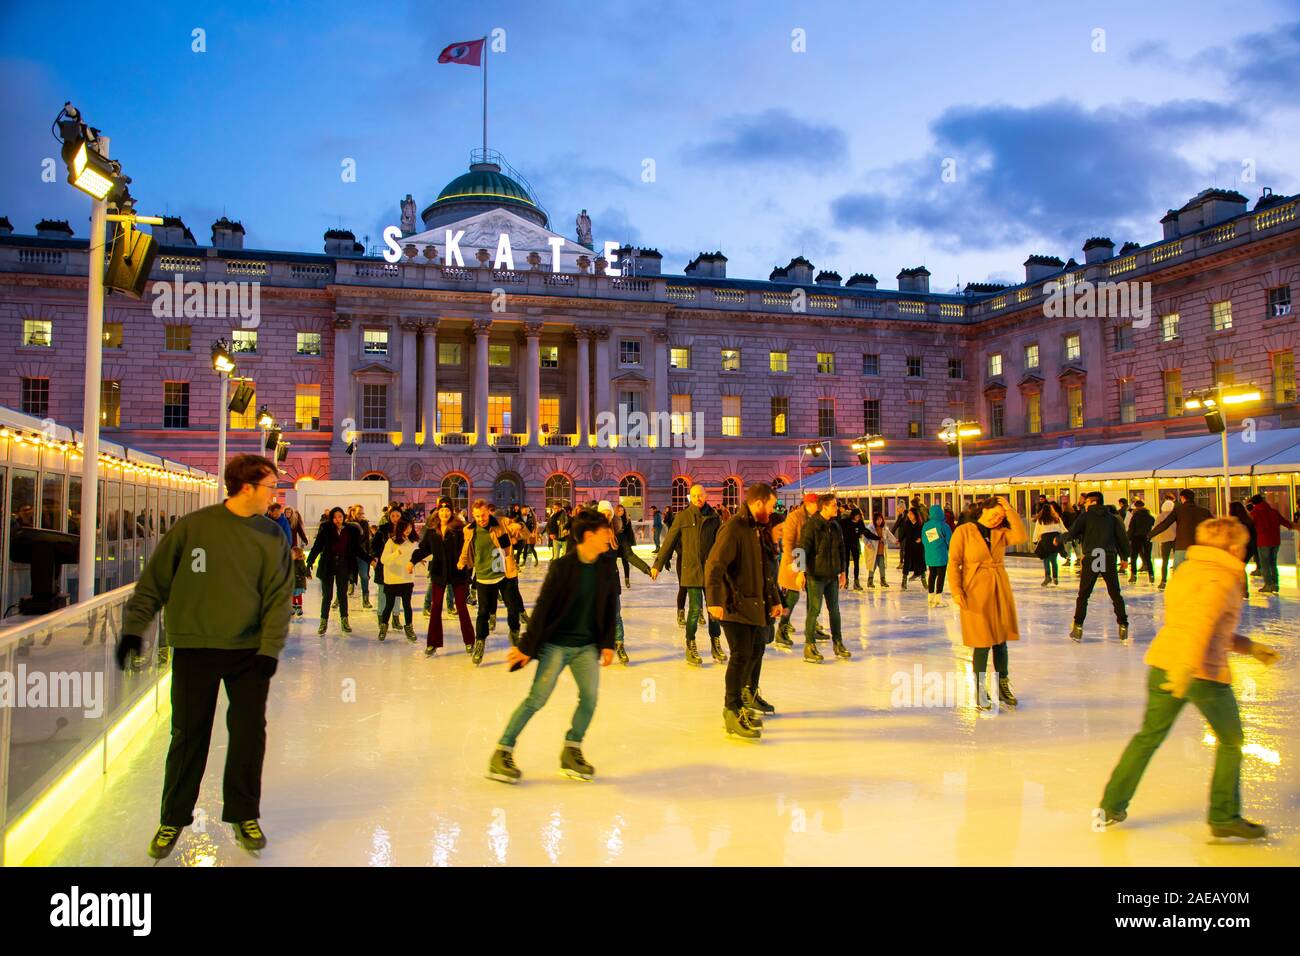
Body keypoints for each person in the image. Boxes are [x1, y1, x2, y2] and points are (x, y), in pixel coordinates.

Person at [116, 454, 291, 859]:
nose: (274, 493)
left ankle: (244, 812)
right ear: (246, 487)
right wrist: (132, 630)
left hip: (248, 653)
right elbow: (154, 583)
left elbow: (279, 597)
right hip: (195, 647)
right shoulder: (194, 527)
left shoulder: (270, 534)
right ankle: (173, 818)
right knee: (188, 735)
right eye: (270, 486)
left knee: (249, 735)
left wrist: (269, 649)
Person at [1097, 518, 1280, 838]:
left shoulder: (1187, 570)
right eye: (1242, 543)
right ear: (1232, 546)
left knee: (1148, 737)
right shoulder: (1221, 578)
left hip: (1164, 662)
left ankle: (1111, 804)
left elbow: (1199, 624)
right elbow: (1201, 626)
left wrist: (1250, 647)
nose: (1244, 549)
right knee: (1231, 741)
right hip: (1200, 671)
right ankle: (1224, 815)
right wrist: (1186, 670)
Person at [487, 510, 617, 784]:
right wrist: (525, 647)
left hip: (586, 647)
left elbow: (609, 607)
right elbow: (543, 609)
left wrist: (607, 643)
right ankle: (502, 751)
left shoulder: (606, 565)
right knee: (537, 699)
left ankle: (572, 749)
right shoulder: (562, 568)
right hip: (556, 645)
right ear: (589, 536)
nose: (609, 536)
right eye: (605, 531)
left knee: (590, 699)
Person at [706, 483, 784, 739]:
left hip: (754, 603)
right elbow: (715, 565)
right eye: (771, 505)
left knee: (751, 654)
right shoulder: (735, 528)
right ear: (759, 503)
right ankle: (731, 710)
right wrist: (714, 599)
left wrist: (774, 599)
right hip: (734, 604)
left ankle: (739, 705)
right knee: (740, 656)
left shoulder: (756, 530)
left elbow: (765, 572)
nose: (773, 511)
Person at [947, 495, 1028, 710]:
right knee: (982, 643)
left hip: (999, 589)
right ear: (984, 510)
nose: (996, 520)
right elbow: (954, 563)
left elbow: (1021, 536)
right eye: (994, 515)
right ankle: (980, 690)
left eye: (1000, 517)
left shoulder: (1000, 533)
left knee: (1001, 641)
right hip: (975, 591)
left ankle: (1002, 686)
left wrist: (1008, 510)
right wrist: (956, 591)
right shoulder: (963, 531)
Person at [650, 484, 725, 666]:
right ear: (689, 497)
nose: (697, 498)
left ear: (706, 496)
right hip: (691, 569)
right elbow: (669, 541)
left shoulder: (714, 518)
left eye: (700, 495)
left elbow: (721, 545)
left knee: (714, 610)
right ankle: (690, 644)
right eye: (694, 495)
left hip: (710, 571)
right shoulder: (683, 517)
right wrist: (658, 564)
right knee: (694, 610)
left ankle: (715, 643)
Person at [410, 497, 474, 657]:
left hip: (457, 573)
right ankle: (433, 643)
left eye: (447, 510)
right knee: (436, 606)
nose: (444, 513)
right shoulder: (432, 531)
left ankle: (470, 641)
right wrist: (413, 561)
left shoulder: (459, 530)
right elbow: (424, 549)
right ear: (438, 511)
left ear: (452, 512)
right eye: (442, 510)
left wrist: (464, 565)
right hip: (439, 572)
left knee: (461, 606)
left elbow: (465, 549)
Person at [459, 499, 521, 665]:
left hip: (503, 574)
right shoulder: (469, 530)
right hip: (484, 577)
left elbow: (512, 535)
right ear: (473, 515)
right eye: (478, 516)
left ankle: (514, 631)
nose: (481, 519)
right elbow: (466, 548)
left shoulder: (499, 524)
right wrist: (461, 562)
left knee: (513, 607)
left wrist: (517, 528)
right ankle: (480, 642)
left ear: (488, 513)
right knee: (483, 613)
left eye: (484, 515)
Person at [1065, 491, 1131, 643]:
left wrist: (1060, 539)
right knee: (1115, 593)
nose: (1085, 504)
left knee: (1084, 594)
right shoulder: (1112, 518)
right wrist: (1124, 557)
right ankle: (1123, 624)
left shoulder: (1086, 516)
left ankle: (1078, 626)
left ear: (1093, 502)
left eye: (1086, 502)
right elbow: (1122, 539)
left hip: (1093, 555)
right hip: (1107, 556)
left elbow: (1072, 533)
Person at [796, 493, 850, 662]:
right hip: (815, 576)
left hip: (832, 575)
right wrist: (800, 572)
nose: (837, 507)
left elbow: (842, 549)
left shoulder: (835, 526)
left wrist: (843, 572)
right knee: (814, 610)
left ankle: (838, 642)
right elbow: (800, 549)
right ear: (824, 507)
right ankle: (809, 645)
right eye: (833, 505)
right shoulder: (811, 525)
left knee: (835, 610)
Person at [306, 507, 366, 635]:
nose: (337, 520)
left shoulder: (350, 531)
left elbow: (357, 549)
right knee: (327, 595)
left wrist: (369, 559)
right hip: (328, 564)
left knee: (342, 594)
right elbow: (317, 547)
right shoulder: (326, 530)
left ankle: (344, 621)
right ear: (331, 518)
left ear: (343, 517)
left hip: (343, 565)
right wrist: (310, 561)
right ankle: (323, 621)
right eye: (334, 517)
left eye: (339, 517)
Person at [775, 492, 820, 649]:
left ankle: (813, 627)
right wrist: (797, 565)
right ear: (808, 504)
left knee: (813, 598)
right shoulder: (795, 517)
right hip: (795, 563)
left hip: (810, 564)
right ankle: (781, 629)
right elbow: (788, 542)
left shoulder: (816, 517)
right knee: (791, 600)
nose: (819, 506)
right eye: (816, 503)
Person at [1148, 489, 1212, 577]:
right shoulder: (1204, 511)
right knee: (1198, 573)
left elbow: (1165, 524)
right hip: (1199, 546)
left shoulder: (1179, 510)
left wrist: (1150, 535)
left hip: (1182, 546)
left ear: (1182, 498)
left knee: (1179, 573)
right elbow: (1213, 526)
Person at [377, 517, 419, 642]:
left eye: (410, 527)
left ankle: (409, 627)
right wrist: (397, 553)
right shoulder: (391, 542)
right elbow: (384, 560)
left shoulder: (413, 542)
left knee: (407, 605)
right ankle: (383, 626)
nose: (408, 530)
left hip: (406, 578)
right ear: (400, 528)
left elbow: (419, 555)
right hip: (392, 579)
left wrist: (423, 558)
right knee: (389, 605)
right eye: (406, 527)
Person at [369, 505, 407, 630]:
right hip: (384, 565)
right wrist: (374, 558)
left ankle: (396, 617)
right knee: (383, 592)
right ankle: (381, 617)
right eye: (393, 516)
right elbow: (373, 546)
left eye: (397, 516)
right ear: (389, 517)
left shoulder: (405, 530)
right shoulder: (382, 530)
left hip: (398, 566)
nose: (395, 518)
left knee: (397, 593)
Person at [1246, 493, 1291, 594]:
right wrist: (1293, 526)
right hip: (1275, 541)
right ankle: (1275, 585)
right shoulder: (1274, 511)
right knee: (1273, 563)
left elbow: (1248, 524)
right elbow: (1285, 522)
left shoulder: (1255, 513)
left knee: (1265, 564)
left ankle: (1268, 585)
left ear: (1254, 503)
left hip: (1263, 541)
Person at [921, 503, 953, 607]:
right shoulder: (944, 526)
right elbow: (950, 541)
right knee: (941, 576)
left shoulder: (926, 526)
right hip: (941, 556)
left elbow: (924, 541)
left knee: (932, 575)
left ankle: (930, 596)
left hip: (930, 555)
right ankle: (938, 598)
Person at [1032, 501, 1066, 587]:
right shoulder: (1057, 519)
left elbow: (1037, 531)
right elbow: (1062, 529)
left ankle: (1047, 576)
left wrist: (1035, 540)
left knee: (1046, 560)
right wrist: (1066, 536)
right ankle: (1055, 577)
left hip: (1045, 541)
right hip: (1055, 540)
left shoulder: (1040, 520)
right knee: (1054, 560)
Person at [347, 505, 374, 609]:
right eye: (359, 513)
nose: (361, 515)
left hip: (362, 554)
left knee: (364, 576)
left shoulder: (365, 523)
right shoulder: (348, 523)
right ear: (353, 512)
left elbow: (367, 539)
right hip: (350, 555)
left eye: (362, 513)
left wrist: (369, 553)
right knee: (347, 576)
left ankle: (365, 599)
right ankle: (339, 598)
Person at [1126, 499, 1156, 584]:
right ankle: (1151, 575)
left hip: (1136, 537)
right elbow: (1153, 525)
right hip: (1147, 537)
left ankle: (1133, 575)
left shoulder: (1135, 516)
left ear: (1136, 507)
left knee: (1134, 556)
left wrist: (1128, 538)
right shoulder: (1150, 516)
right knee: (1147, 557)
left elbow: (1131, 528)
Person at [863, 511, 896, 587]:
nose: (879, 521)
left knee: (882, 566)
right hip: (873, 551)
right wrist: (867, 543)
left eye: (880, 519)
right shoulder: (870, 528)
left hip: (881, 552)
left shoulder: (884, 528)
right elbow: (865, 536)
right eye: (877, 519)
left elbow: (889, 535)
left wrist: (895, 541)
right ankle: (870, 581)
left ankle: (883, 580)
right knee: (872, 567)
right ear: (874, 520)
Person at [1152, 491, 1177, 589]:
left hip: (1165, 540)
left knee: (1165, 561)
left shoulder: (1160, 516)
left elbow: (1156, 528)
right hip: (1175, 539)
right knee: (1177, 560)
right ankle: (1177, 579)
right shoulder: (1175, 515)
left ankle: (1163, 580)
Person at [290, 546, 308, 619]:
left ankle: (299, 607)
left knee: (298, 595)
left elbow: (304, 570)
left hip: (299, 582)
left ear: (296, 555)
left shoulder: (300, 562)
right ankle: (293, 607)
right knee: (293, 595)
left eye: (292, 554)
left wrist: (308, 574)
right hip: (292, 582)